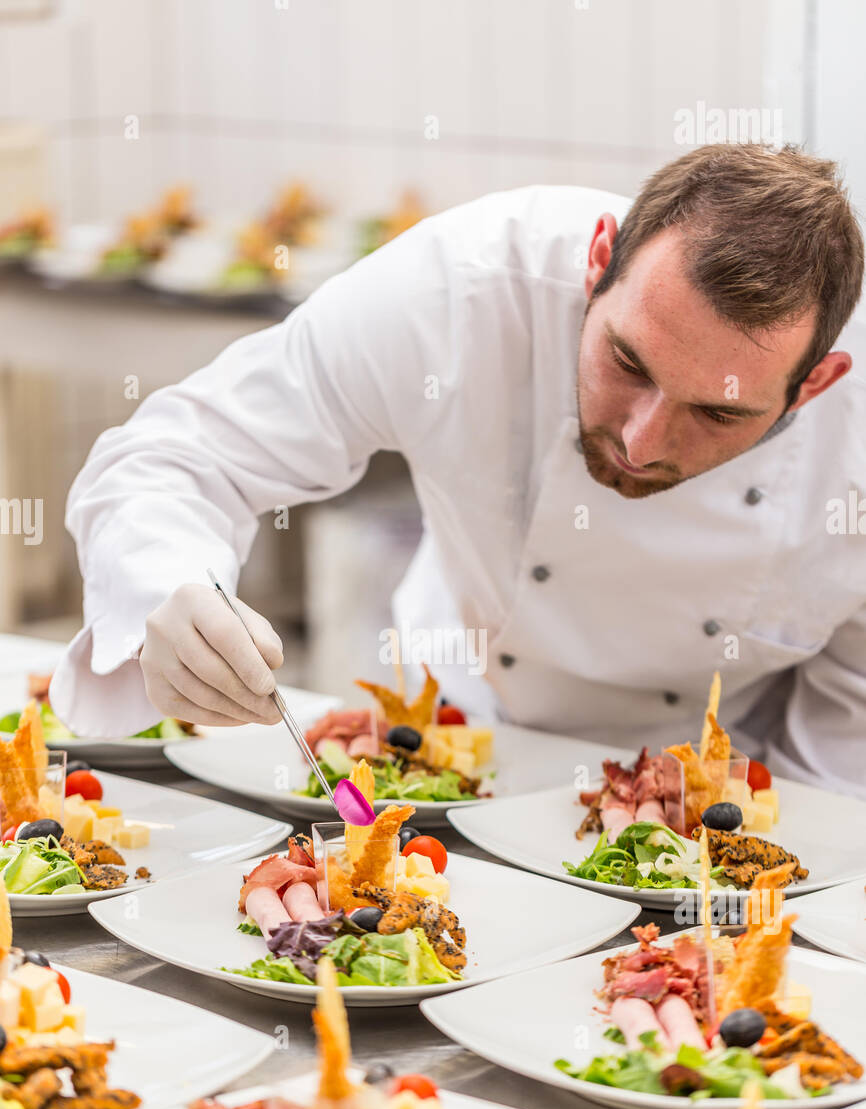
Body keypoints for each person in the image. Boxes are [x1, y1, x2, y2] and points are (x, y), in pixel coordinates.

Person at [52, 143, 866, 794]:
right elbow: (177, 453)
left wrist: (750, 859)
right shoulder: (463, 288)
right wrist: (171, 588)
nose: (644, 442)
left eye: (718, 413)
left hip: (715, 787)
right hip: (450, 744)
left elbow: (846, 741)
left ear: (815, 385)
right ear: (597, 265)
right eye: (627, 362)